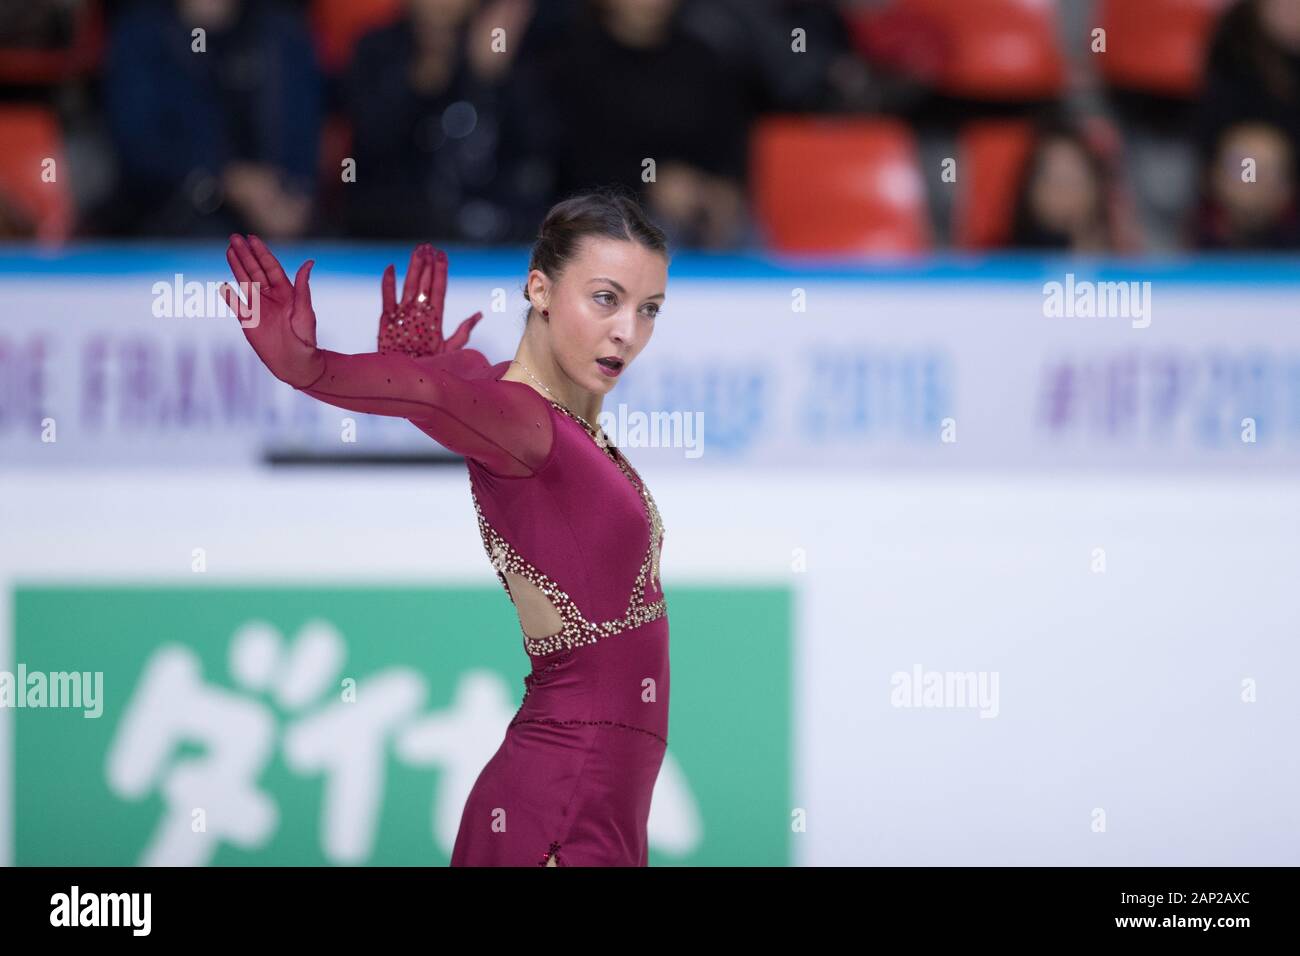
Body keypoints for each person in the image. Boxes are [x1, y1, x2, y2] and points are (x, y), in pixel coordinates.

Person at [219, 187, 671, 866]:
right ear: (540, 290)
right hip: (562, 800)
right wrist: (307, 367)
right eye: (605, 299)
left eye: (648, 310)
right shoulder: (523, 424)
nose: (627, 332)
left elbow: (451, 382)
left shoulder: (530, 410)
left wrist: (426, 361)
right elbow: (436, 395)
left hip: (593, 798)